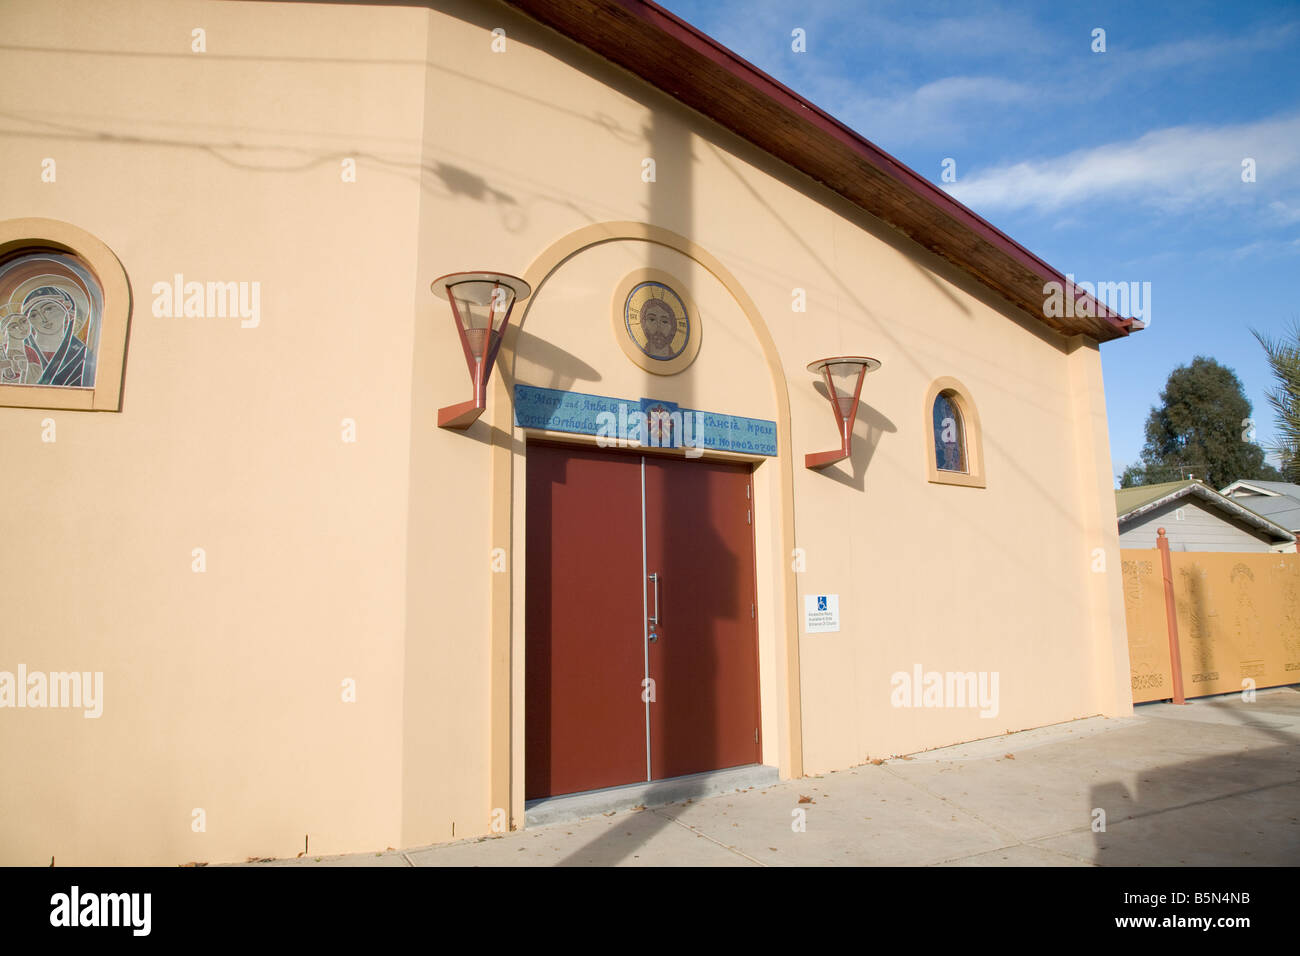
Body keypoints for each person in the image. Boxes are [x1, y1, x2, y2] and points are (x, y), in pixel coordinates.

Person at [23, 287, 88, 387]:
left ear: (66, 310)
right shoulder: (23, 352)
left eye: (48, 309)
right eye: (34, 315)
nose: (44, 319)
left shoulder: (81, 354)